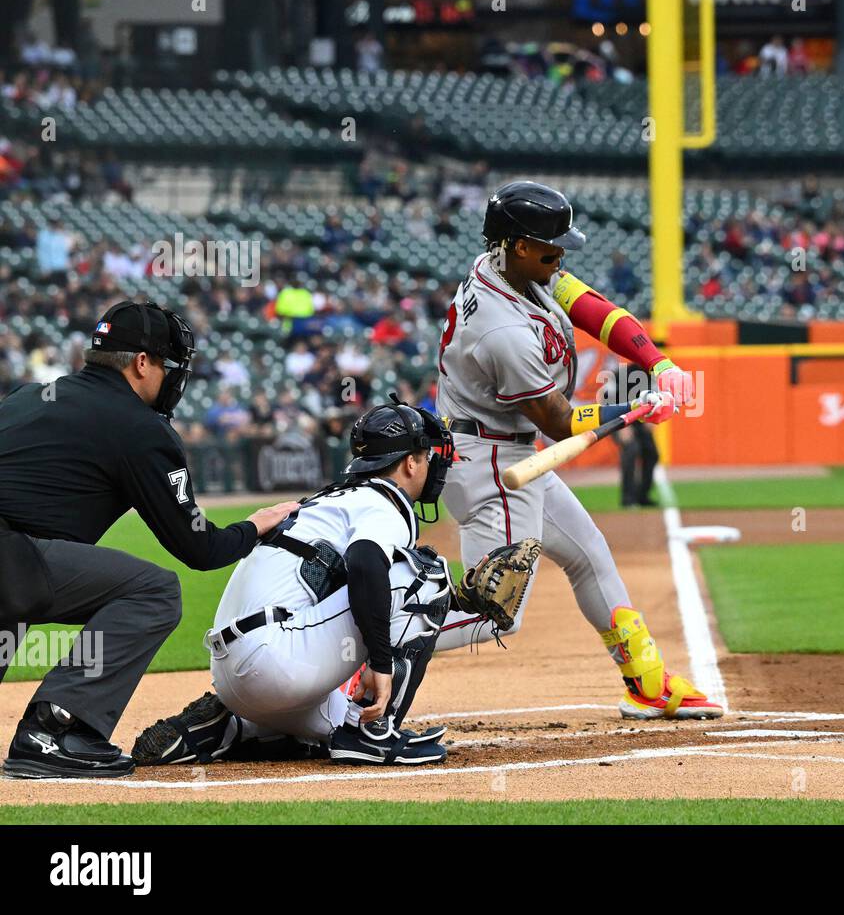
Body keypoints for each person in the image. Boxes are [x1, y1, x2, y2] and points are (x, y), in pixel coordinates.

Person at [434, 181, 722, 719]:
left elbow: (594, 309)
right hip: (491, 463)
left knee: (590, 556)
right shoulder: (503, 331)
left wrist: (656, 363)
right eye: (550, 247)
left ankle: (647, 684)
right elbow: (561, 423)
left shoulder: (514, 267)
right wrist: (635, 407)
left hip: (508, 452)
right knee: (494, 612)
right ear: (517, 244)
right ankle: (362, 654)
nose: (560, 255)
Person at [0, 301, 298, 778]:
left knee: (19, 590)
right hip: (11, 559)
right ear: (142, 363)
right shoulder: (140, 428)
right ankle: (54, 730)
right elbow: (200, 549)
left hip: (14, 567)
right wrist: (256, 524)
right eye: (167, 364)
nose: (172, 377)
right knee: (153, 591)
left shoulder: (28, 395)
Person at [132, 401, 505, 767]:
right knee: (426, 573)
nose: (433, 465)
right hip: (278, 658)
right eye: (426, 456)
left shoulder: (334, 499)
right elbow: (365, 564)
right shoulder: (383, 500)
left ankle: (231, 727)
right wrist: (382, 663)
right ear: (410, 462)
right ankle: (376, 734)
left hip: (237, 677)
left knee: (337, 727)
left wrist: (458, 605)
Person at [602, 363, 658, 507]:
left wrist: (652, 419)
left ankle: (642, 496)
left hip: (639, 418)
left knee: (651, 453)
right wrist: (620, 426)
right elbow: (606, 400)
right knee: (631, 449)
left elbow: (657, 399)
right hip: (617, 418)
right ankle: (628, 498)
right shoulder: (620, 375)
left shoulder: (653, 376)